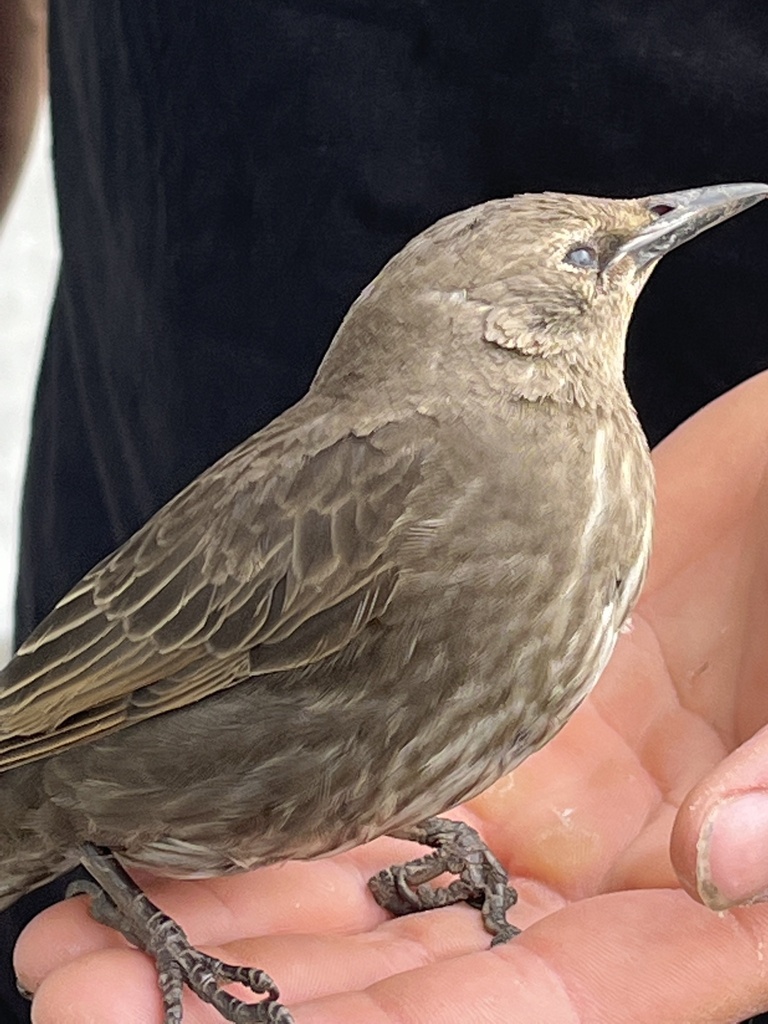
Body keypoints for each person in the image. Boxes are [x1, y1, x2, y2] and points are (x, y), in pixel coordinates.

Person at [2, 1, 768, 1021]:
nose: (660, 223)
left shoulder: (590, 463)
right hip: (184, 193)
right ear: (512, 335)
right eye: (585, 259)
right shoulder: (391, 479)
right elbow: (114, 684)